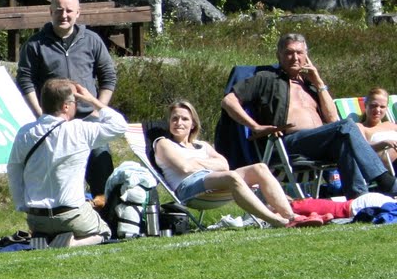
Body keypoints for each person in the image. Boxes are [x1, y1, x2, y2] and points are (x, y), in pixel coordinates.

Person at [220, 33, 397, 197]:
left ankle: (360, 199)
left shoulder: (311, 86)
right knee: (346, 126)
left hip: (320, 144)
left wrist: (318, 81)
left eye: (300, 53)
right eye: (289, 53)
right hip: (286, 143)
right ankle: (385, 181)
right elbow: (228, 101)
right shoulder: (265, 78)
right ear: (279, 55)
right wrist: (255, 126)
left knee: (344, 140)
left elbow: (332, 119)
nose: (295, 57)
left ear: (307, 56)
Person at [15, 0, 119, 197]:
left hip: (90, 121)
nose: (64, 15)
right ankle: (66, 223)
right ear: (50, 11)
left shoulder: (92, 40)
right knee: (63, 180)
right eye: (59, 10)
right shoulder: (35, 44)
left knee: (102, 173)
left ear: (78, 13)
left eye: (69, 10)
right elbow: (24, 80)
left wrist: (98, 111)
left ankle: (106, 221)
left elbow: (108, 77)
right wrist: (40, 114)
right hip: (55, 124)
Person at [6, 77, 126, 247]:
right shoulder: (79, 130)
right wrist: (92, 100)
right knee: (104, 231)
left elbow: (13, 170)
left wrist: (22, 205)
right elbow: (119, 126)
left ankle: (44, 239)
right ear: (66, 106)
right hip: (71, 215)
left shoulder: (24, 133)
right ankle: (70, 243)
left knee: (48, 226)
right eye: (75, 100)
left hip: (36, 218)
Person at [152, 99, 301, 227]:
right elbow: (185, 168)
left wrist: (195, 161)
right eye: (174, 119)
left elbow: (224, 165)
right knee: (231, 177)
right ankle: (274, 219)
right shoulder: (163, 143)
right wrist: (206, 163)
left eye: (184, 119)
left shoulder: (202, 145)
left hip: (212, 180)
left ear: (193, 124)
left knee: (260, 168)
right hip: (187, 188)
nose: (179, 123)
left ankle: (291, 217)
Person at [355, 87, 397, 166]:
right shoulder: (361, 127)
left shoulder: (391, 125)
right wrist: (384, 143)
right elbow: (362, 150)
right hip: (386, 168)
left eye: (382, 107)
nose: (377, 110)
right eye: (373, 106)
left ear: (386, 108)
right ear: (365, 105)